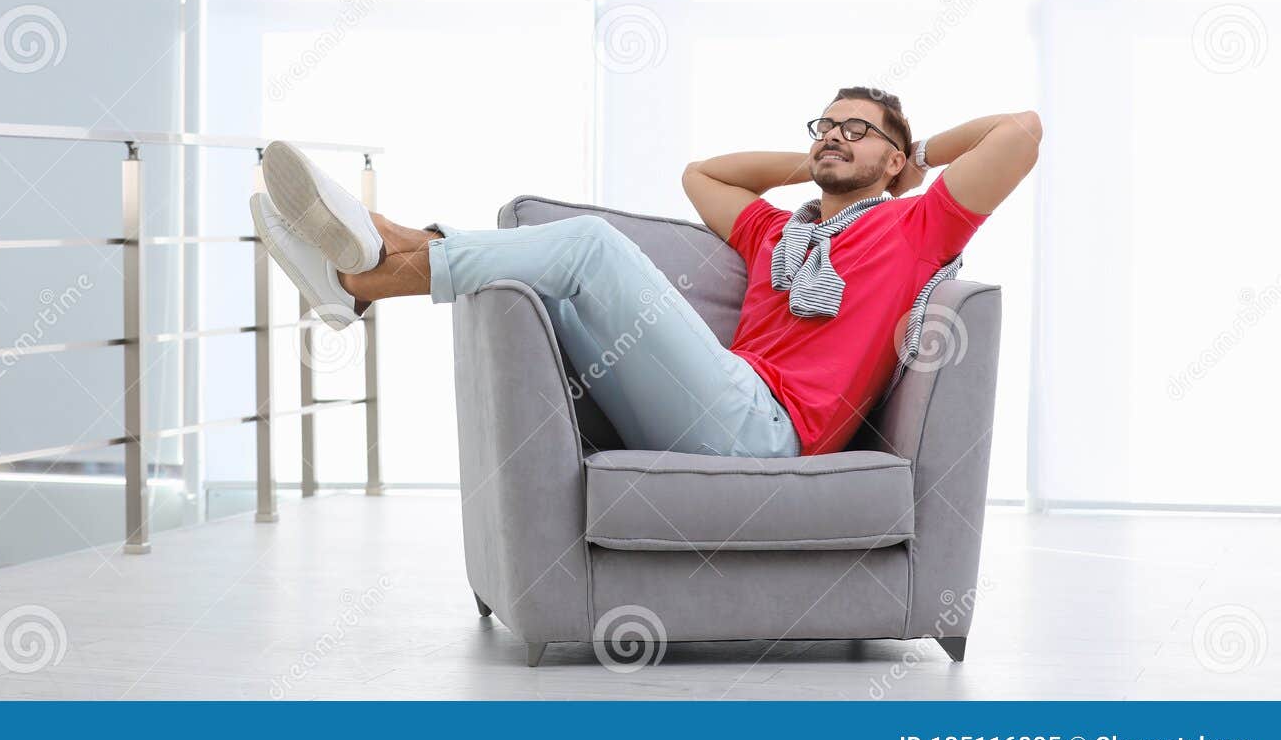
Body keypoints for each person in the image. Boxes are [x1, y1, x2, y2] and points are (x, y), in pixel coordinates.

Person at [250, 87, 1041, 460]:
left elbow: (1022, 131)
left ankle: (371, 263)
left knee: (588, 247)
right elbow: (703, 176)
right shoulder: (783, 232)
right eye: (825, 123)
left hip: (767, 433)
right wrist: (814, 158)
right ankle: (362, 271)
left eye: (856, 130)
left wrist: (921, 159)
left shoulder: (917, 225)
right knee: (555, 285)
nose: (834, 134)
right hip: (714, 405)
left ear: (892, 157)